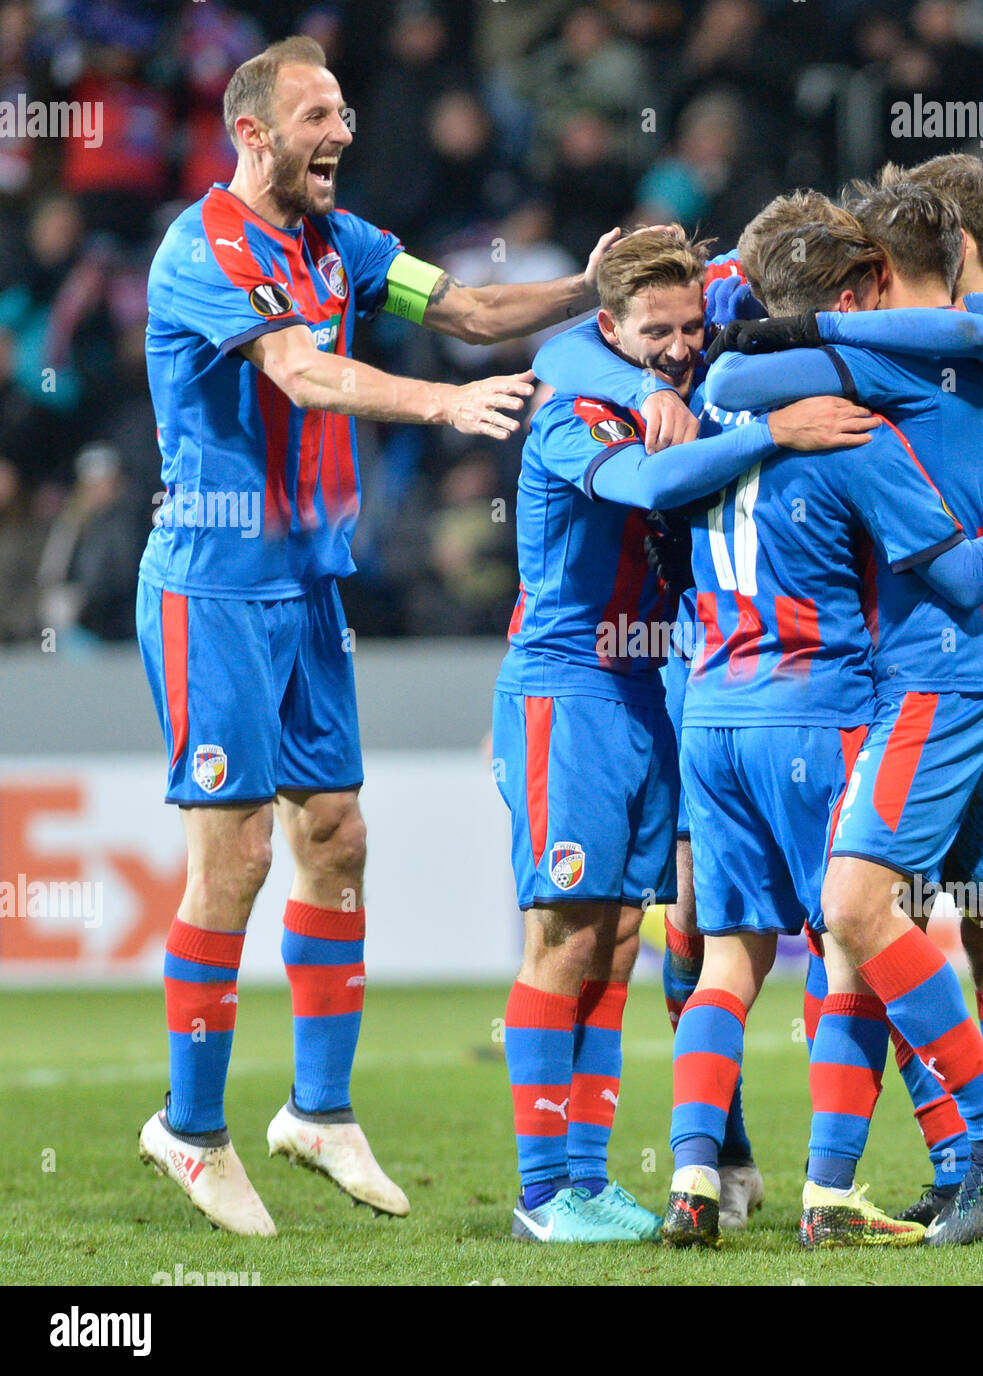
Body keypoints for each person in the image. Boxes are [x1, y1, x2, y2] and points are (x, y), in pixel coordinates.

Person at [135, 34, 628, 1238]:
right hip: (212, 586)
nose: (343, 131)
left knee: (338, 836)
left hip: (308, 584)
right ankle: (190, 1129)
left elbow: (462, 306)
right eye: (318, 114)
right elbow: (303, 375)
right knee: (236, 855)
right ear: (253, 132)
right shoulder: (207, 247)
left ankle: (318, 1107)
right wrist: (445, 405)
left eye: (346, 110)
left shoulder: (340, 245)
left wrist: (586, 291)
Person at [663, 203, 983, 1249]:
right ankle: (870, 1176)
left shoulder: (733, 410)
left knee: (757, 946)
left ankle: (707, 1171)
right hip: (833, 701)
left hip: (734, 701)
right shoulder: (873, 418)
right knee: (862, 935)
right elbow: (971, 565)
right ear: (855, 289)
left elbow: (692, 406)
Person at [495, 226, 877, 1244]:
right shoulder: (571, 410)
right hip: (565, 687)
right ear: (610, 328)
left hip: (650, 685)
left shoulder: (691, 343)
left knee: (625, 936)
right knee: (563, 933)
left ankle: (589, 1173)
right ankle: (541, 1190)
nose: (676, 347)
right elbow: (650, 486)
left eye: (685, 328)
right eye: (652, 333)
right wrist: (776, 432)